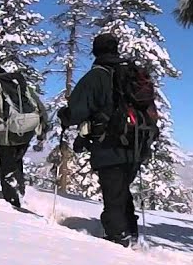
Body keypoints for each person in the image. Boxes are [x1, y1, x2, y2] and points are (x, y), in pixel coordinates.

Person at [61, 32, 152, 247]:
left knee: (113, 195)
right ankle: (130, 233)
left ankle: (117, 240)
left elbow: (76, 111)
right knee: (121, 192)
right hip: (135, 144)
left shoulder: (96, 76)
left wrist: (64, 116)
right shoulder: (128, 73)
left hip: (110, 144)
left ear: (95, 51)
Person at [0, 63, 49, 209]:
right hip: (27, 131)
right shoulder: (21, 85)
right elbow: (40, 107)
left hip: (7, 133)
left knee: (7, 165)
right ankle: (19, 192)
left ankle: (12, 203)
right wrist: (43, 128)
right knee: (17, 162)